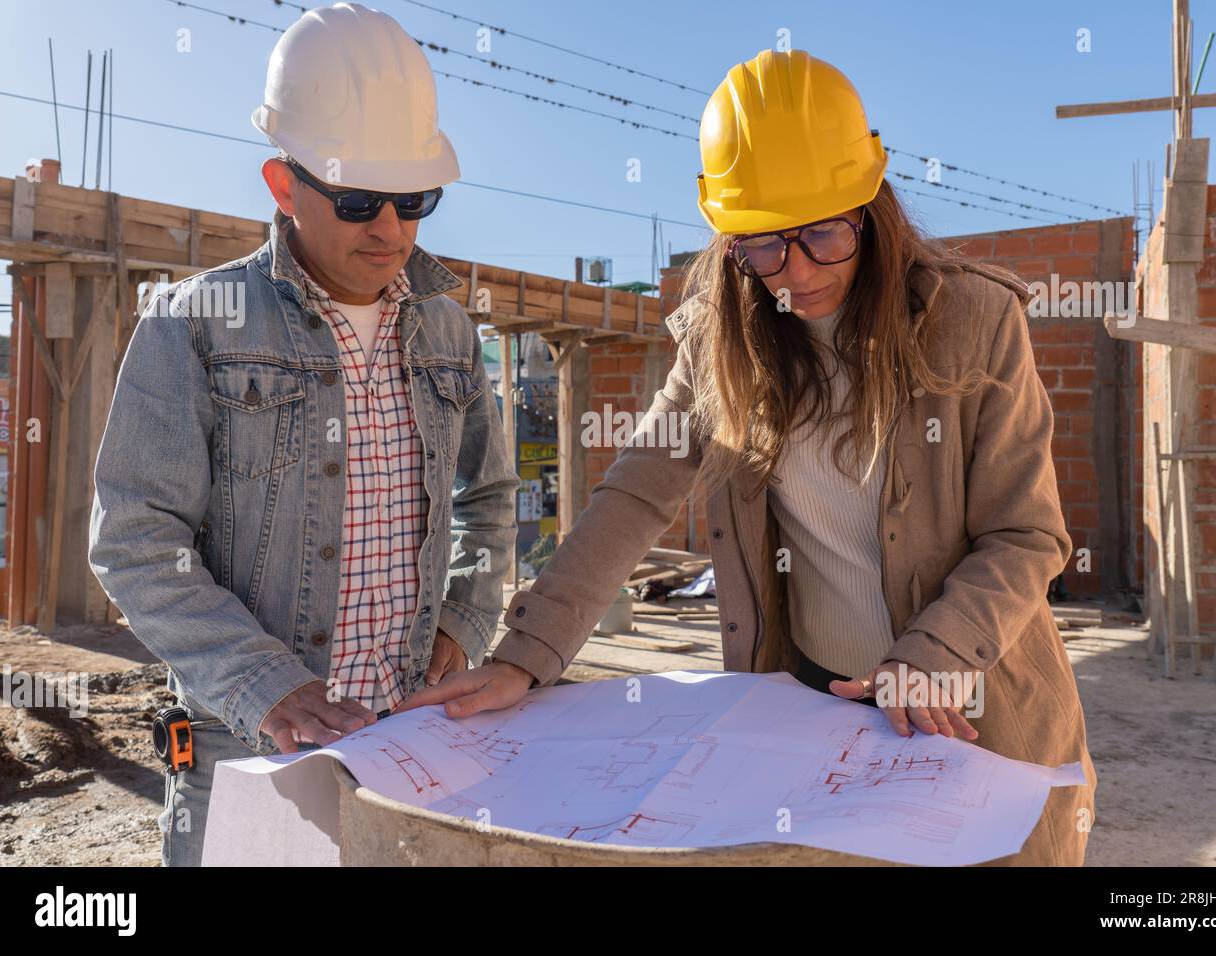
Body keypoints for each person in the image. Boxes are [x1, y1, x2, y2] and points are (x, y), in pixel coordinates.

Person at [400, 48, 1097, 866]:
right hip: (810, 707)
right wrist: (528, 653)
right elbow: (634, 497)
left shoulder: (973, 321)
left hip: (971, 707)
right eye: (763, 245)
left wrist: (931, 656)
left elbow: (1025, 535)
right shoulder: (719, 338)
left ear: (871, 211)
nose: (795, 271)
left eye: (823, 235)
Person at [88, 2, 517, 866]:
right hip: (243, 751)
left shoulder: (447, 334)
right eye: (359, 199)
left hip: (408, 741)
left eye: (414, 199)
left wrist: (465, 623)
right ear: (284, 186)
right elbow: (136, 540)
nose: (390, 227)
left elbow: (492, 501)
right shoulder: (195, 324)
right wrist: (266, 683)